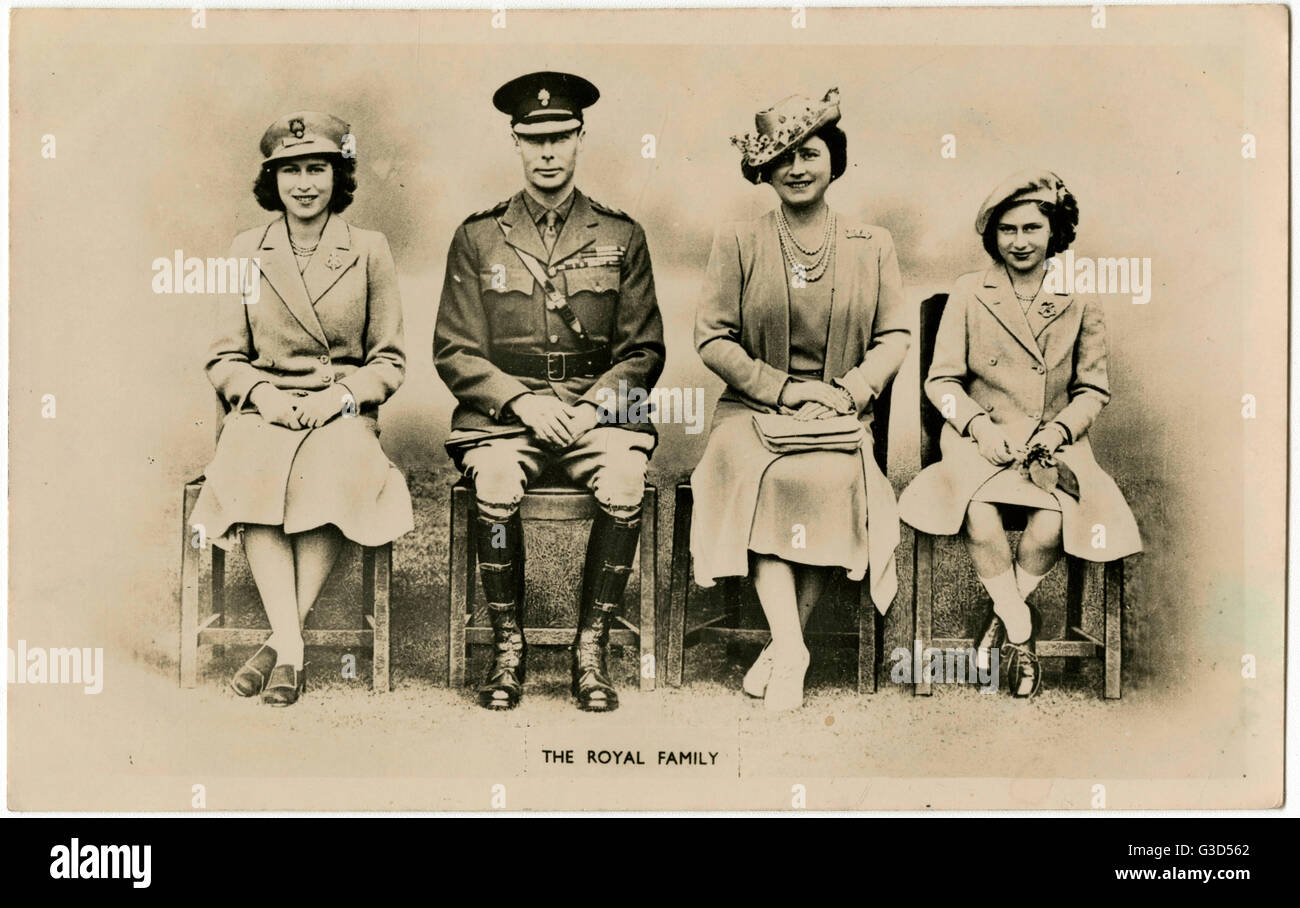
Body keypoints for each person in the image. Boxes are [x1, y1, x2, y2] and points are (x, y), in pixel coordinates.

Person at [434, 72, 666, 713]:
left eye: (560, 136)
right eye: (533, 138)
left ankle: (589, 653)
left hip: (599, 412)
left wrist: (592, 407)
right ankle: (510, 649)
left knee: (624, 480)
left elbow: (644, 349)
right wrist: (522, 403)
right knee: (498, 480)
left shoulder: (623, 235)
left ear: (580, 138)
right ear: (515, 141)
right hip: (507, 415)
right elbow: (454, 348)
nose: (547, 151)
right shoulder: (479, 237)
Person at [691, 89, 911, 711]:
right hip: (753, 413)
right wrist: (785, 390)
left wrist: (848, 392)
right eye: (781, 158)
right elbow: (711, 337)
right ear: (764, 170)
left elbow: (894, 334)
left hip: (840, 412)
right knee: (770, 480)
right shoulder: (738, 240)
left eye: (808, 153)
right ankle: (794, 649)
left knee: (830, 480)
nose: (796, 168)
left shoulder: (873, 243)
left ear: (833, 160)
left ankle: (784, 647)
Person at [191, 111, 413, 707]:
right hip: (263, 408)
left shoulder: (369, 249)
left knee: (335, 465)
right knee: (252, 462)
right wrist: (261, 395)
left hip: (338, 411)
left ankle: (277, 648)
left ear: (338, 176)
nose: (305, 183)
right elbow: (223, 356)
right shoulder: (245, 250)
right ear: (273, 180)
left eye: (317, 168)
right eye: (290, 171)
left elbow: (389, 361)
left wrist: (339, 398)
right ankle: (291, 650)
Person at [898, 170, 1142, 697]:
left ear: (1054, 231)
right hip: (977, 438)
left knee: (1052, 522)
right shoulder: (970, 291)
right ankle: (1021, 632)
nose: (1020, 241)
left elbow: (1093, 390)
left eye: (1032, 228)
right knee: (979, 513)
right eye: (1007, 230)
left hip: (1052, 442)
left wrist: (1057, 431)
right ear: (993, 236)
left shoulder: (1079, 297)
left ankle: (1003, 624)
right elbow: (941, 381)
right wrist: (977, 426)